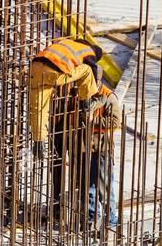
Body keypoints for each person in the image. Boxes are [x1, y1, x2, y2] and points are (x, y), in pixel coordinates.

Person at [27, 37, 104, 221]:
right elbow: (92, 70)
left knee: (39, 108)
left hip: (35, 68)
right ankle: (86, 101)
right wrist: (87, 99)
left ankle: (38, 140)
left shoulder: (66, 43)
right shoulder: (88, 53)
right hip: (54, 72)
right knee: (85, 72)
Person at [86, 74, 123, 229]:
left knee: (105, 186)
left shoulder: (109, 97)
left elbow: (115, 123)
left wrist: (91, 120)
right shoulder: (85, 94)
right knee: (89, 187)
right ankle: (92, 217)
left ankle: (111, 220)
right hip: (87, 148)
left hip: (103, 149)